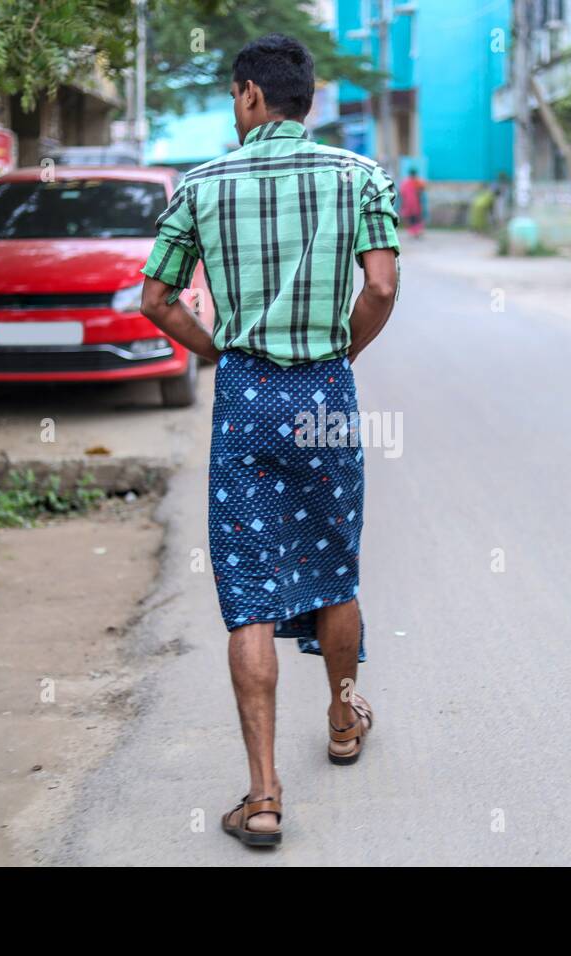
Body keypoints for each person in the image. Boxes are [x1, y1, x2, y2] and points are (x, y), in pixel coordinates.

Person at [139, 33, 400, 848]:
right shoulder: (359, 177)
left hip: (247, 395)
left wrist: (215, 349)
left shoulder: (202, 184)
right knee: (333, 564)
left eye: (232, 94)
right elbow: (382, 285)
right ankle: (343, 717)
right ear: (309, 100)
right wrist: (338, 351)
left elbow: (155, 298)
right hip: (323, 390)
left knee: (249, 593)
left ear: (250, 94)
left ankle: (262, 798)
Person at [400, 168, 426, 238]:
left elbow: (402, 193)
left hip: (408, 203)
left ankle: (413, 231)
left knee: (411, 217)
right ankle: (416, 231)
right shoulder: (417, 181)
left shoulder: (405, 182)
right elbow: (422, 189)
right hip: (415, 203)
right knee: (416, 217)